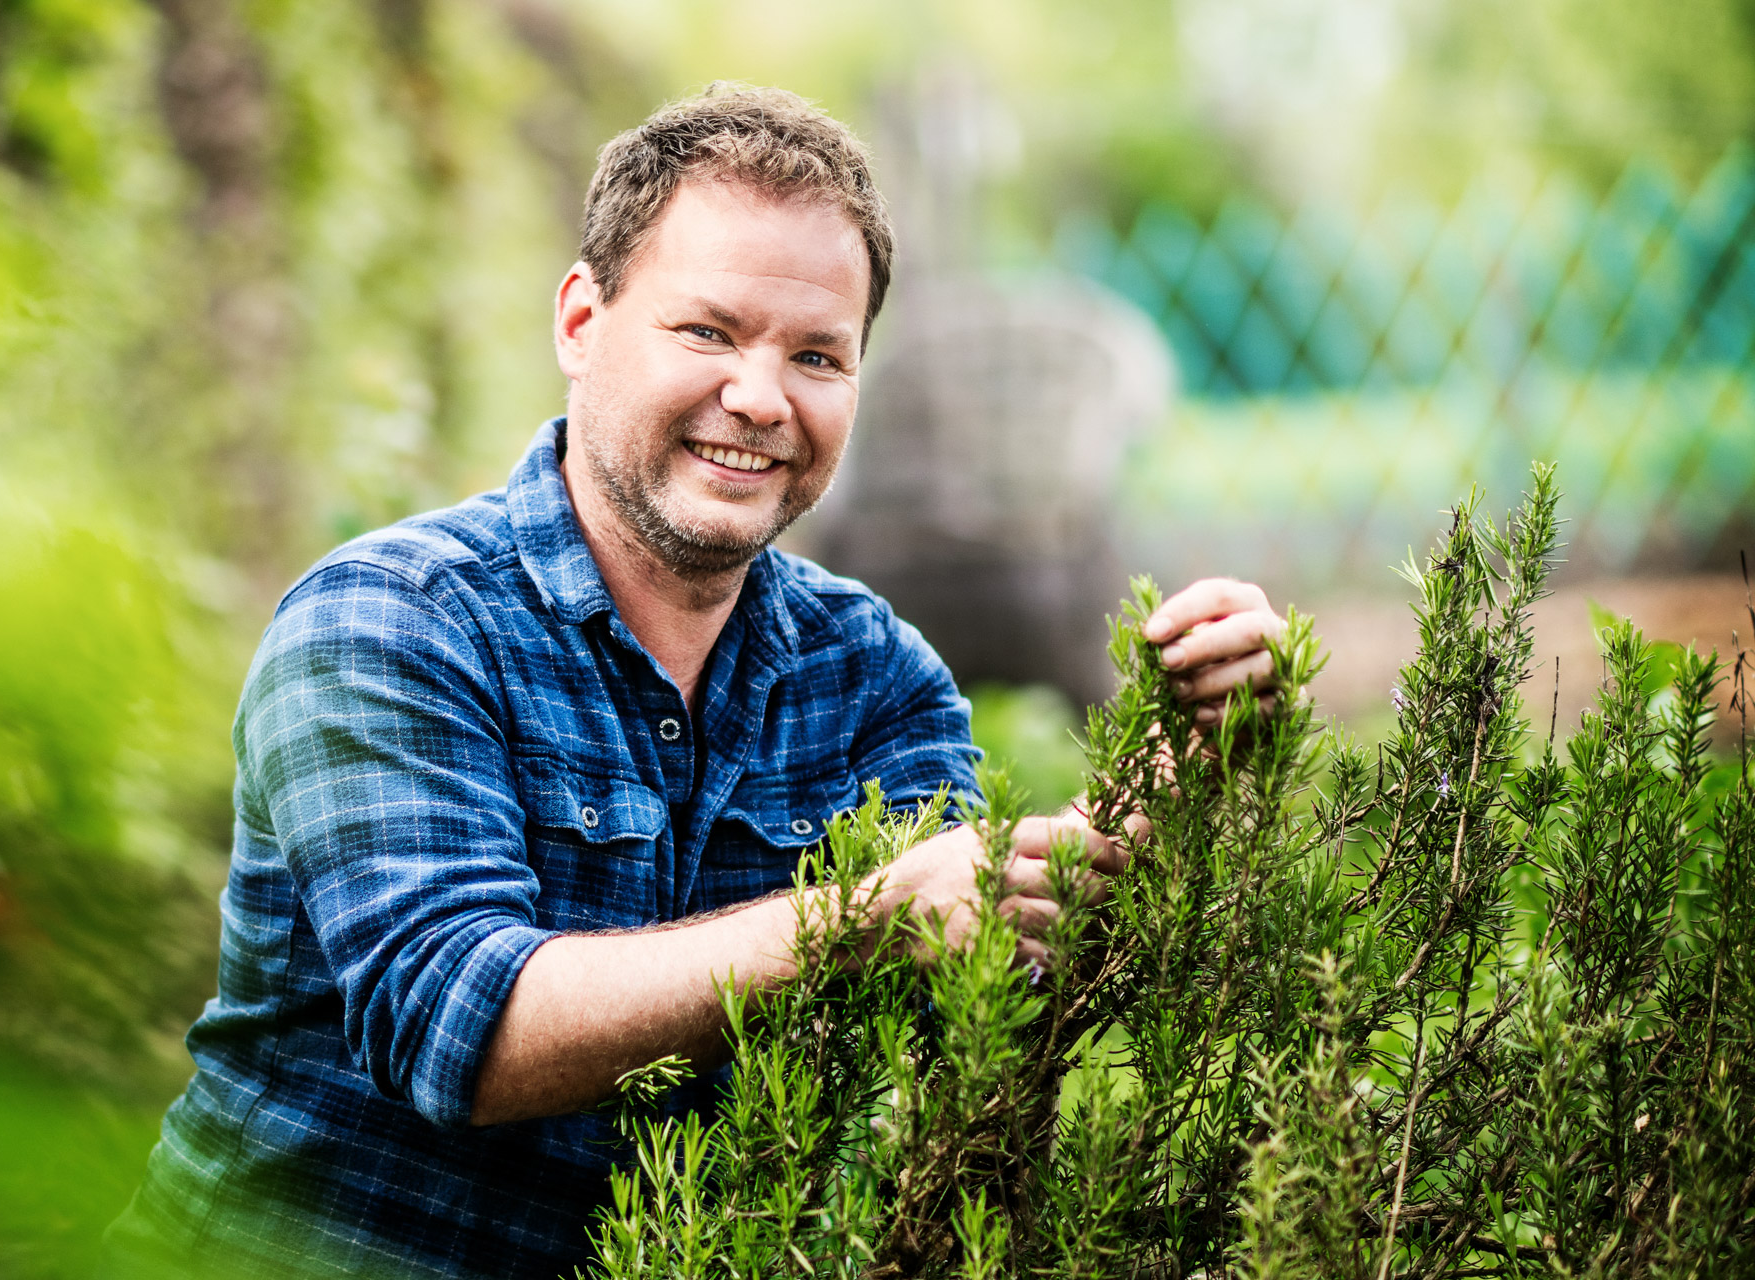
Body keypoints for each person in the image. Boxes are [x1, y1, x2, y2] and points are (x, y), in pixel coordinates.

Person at [100, 86, 1288, 1280]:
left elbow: (977, 1014)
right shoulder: (391, 621)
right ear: (580, 319)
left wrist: (1162, 790)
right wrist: (862, 919)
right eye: (708, 332)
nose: (763, 398)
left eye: (817, 355)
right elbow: (460, 1029)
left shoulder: (873, 676)